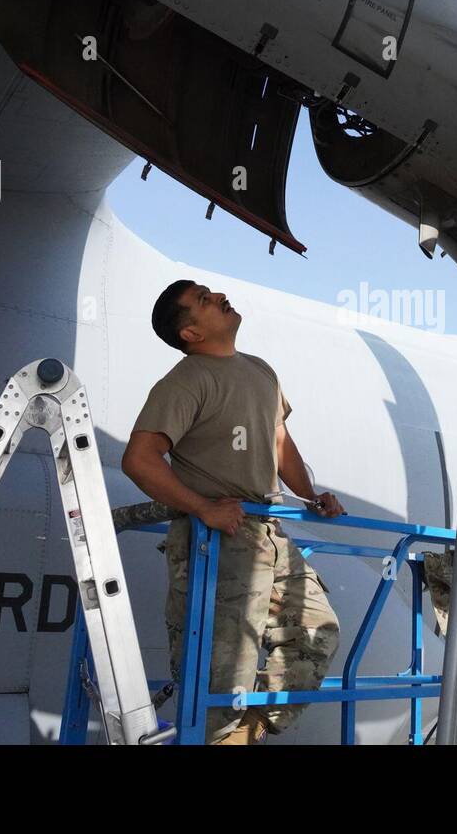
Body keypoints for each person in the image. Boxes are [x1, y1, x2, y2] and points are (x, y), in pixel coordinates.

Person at [121, 279, 342, 744]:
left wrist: (310, 495)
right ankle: (220, 736)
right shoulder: (186, 381)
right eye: (204, 300)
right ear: (192, 334)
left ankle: (246, 735)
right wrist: (202, 507)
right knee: (223, 674)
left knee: (317, 630)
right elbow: (139, 458)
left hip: (268, 531)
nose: (218, 296)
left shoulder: (262, 372)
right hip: (217, 540)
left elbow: (279, 441)